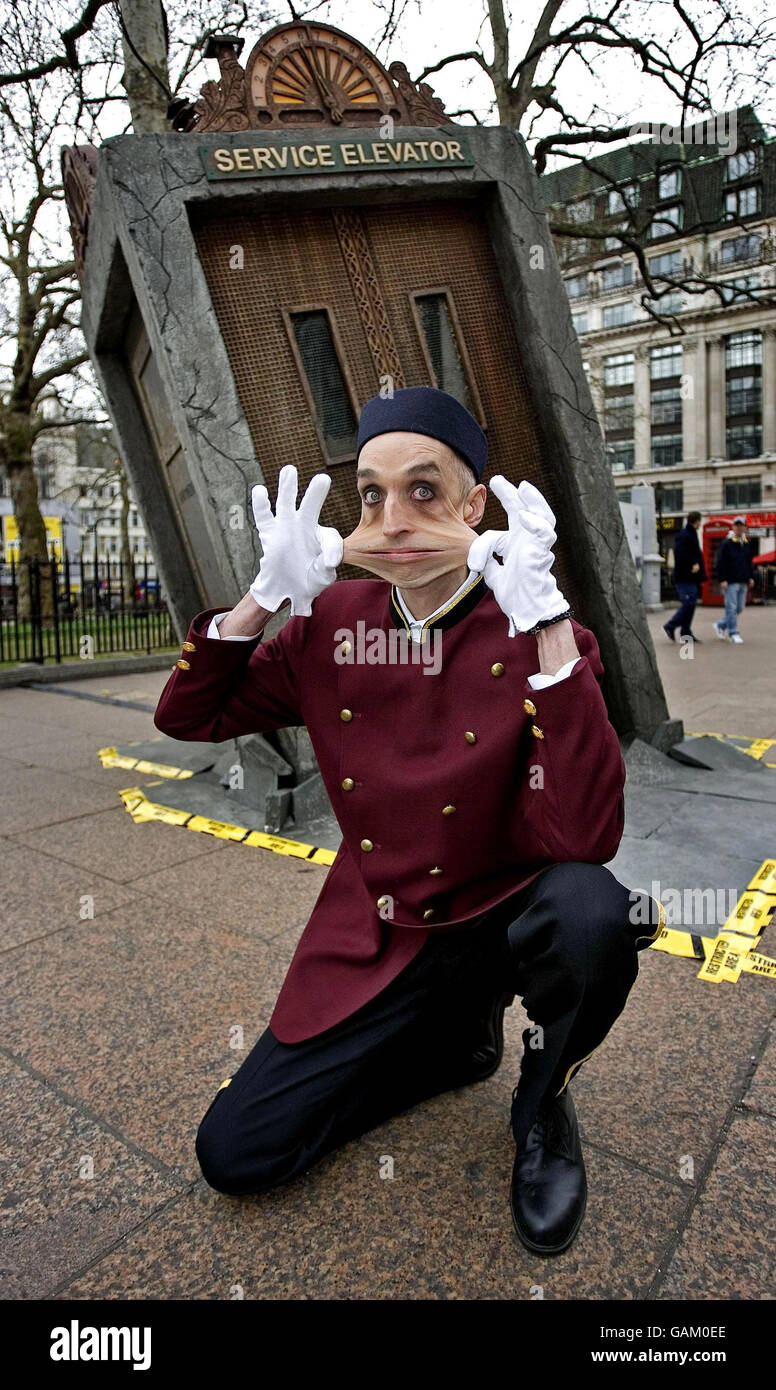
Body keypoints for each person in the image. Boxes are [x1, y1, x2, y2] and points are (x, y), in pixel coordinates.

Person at [153, 385, 663, 1257]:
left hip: (510, 909)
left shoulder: (533, 624)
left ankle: (542, 1106)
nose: (392, 520)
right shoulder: (330, 625)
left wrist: (544, 623)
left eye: (424, 492)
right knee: (238, 1153)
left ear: (475, 506)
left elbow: (585, 838)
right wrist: (262, 598)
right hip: (388, 926)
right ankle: (452, 1043)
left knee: (593, 913)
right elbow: (190, 717)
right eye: (371, 495)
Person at [663, 511, 706, 643]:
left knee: (691, 605)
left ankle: (686, 632)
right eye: (700, 521)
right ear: (697, 521)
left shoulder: (691, 533)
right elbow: (680, 554)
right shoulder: (685, 535)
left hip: (691, 577)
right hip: (685, 577)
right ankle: (670, 626)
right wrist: (692, 564)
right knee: (688, 604)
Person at [713, 515, 755, 644]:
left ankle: (720, 625)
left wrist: (751, 577)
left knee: (740, 608)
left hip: (743, 580)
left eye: (741, 525)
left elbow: (749, 562)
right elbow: (720, 562)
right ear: (733, 527)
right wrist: (723, 579)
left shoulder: (746, 543)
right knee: (731, 607)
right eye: (736, 525)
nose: (738, 527)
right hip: (730, 581)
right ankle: (733, 632)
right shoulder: (726, 543)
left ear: (744, 527)